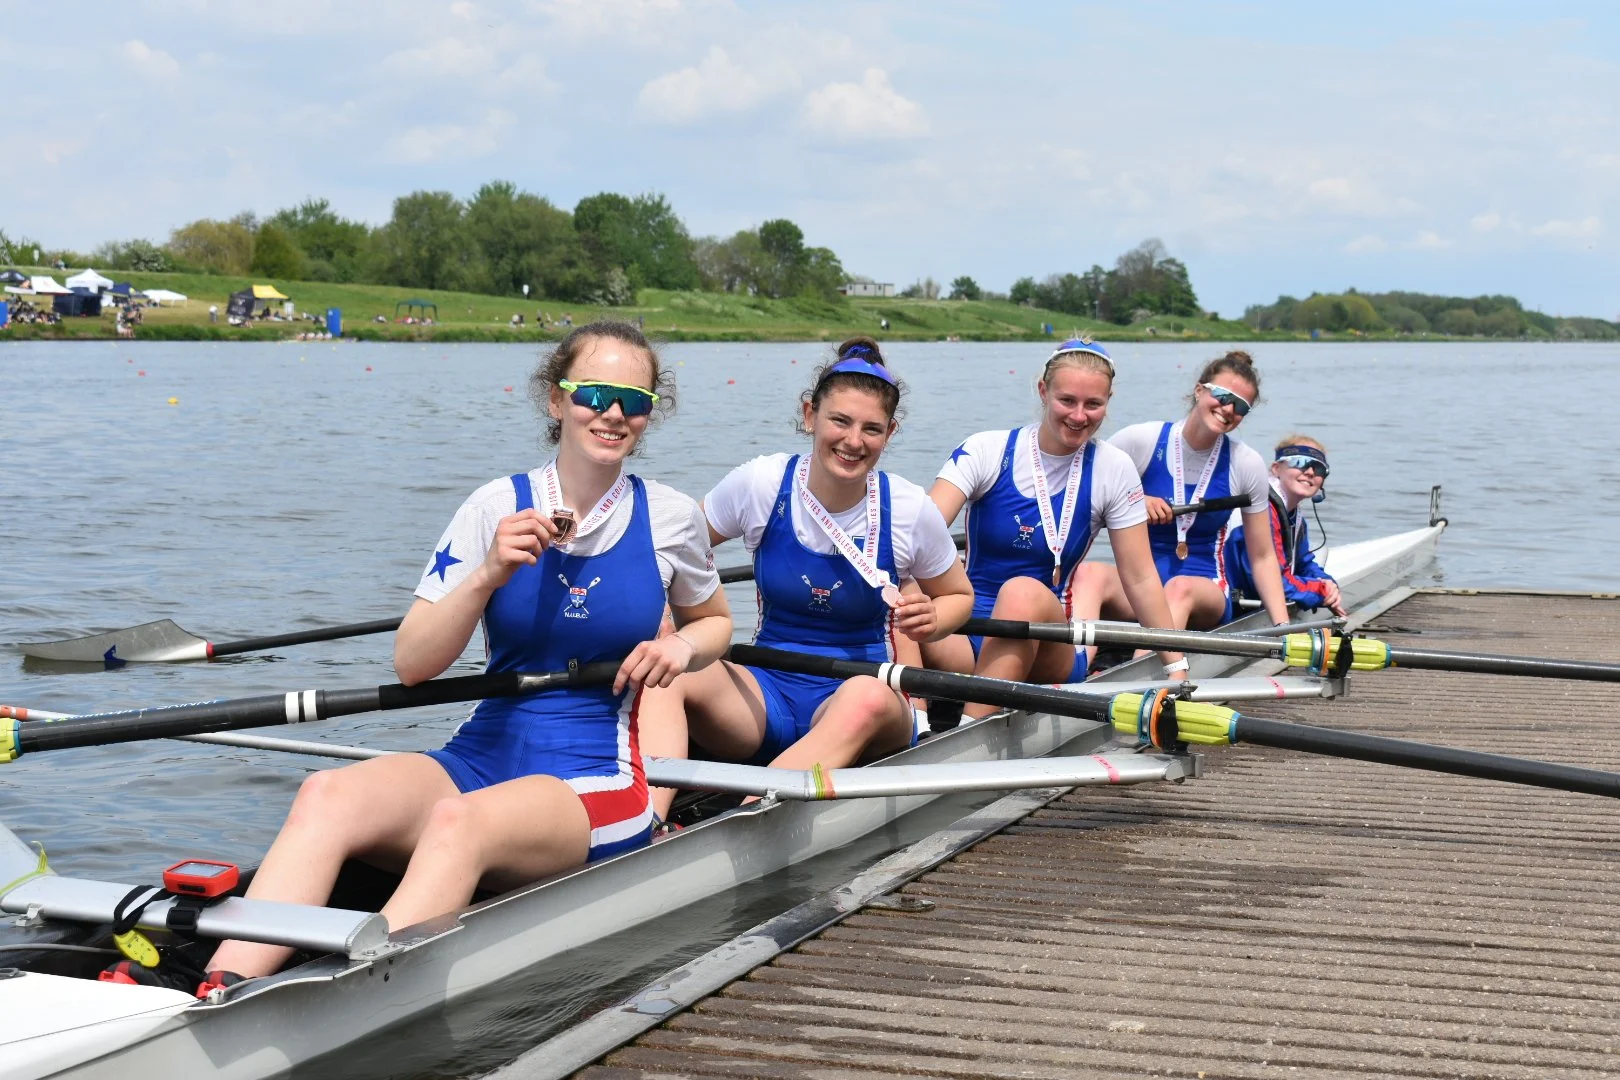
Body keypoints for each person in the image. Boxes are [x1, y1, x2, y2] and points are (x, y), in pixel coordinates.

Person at [102, 322, 732, 996]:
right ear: (557, 400)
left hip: (596, 777)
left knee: (458, 824)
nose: (613, 413)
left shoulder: (670, 516)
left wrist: (681, 645)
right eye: (595, 393)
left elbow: (716, 622)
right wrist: (488, 572)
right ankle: (220, 979)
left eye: (633, 400)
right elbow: (412, 664)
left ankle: (335, 998)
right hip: (481, 754)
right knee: (328, 794)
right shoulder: (492, 506)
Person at [638, 337, 973, 821]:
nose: (853, 441)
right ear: (810, 413)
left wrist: (934, 618)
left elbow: (959, 596)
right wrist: (664, 617)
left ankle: (745, 819)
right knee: (664, 672)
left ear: (890, 432)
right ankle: (646, 821)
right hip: (765, 693)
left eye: (871, 429)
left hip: (862, 695)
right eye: (840, 421)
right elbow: (671, 550)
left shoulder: (907, 508)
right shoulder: (761, 483)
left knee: (864, 696)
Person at [923, 339, 1187, 721]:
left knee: (1022, 592)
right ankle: (911, 715)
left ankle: (967, 733)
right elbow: (923, 536)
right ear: (1043, 391)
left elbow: (1141, 577)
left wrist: (1175, 666)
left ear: (1108, 400)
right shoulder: (986, 449)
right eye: (1067, 401)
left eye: (1093, 404)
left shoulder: (1114, 468)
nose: (1079, 416)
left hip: (1049, 644)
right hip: (964, 633)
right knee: (902, 582)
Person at [1074, 350, 1290, 639]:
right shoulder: (1141, 441)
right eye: (1223, 396)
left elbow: (1262, 556)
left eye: (1241, 406)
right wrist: (1135, 501)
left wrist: (1283, 627)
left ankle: (1144, 675)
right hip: (1138, 587)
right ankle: (1072, 669)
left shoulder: (1245, 462)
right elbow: (1082, 497)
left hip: (1203, 590)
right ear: (1199, 390)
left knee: (1178, 588)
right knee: (1089, 575)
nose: (1228, 409)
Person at [1224, 435, 1344, 615]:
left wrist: (1328, 583)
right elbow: (1271, 582)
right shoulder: (1261, 510)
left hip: (1251, 599)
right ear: (1276, 468)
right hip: (1227, 605)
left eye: (1319, 468)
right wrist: (1319, 591)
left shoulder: (1296, 519)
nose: (1310, 472)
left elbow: (1303, 564)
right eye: (1300, 462)